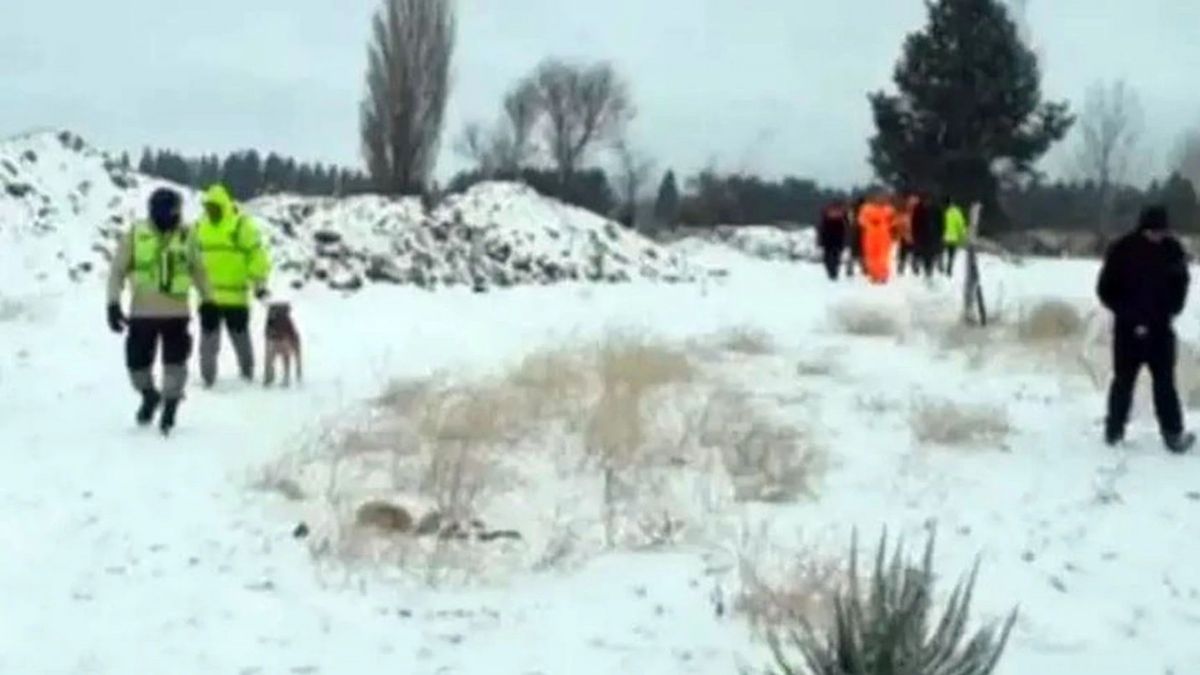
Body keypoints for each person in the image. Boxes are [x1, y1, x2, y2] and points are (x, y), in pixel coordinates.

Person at [107, 188, 213, 435]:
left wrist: (209, 302)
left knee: (175, 363)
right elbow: (117, 271)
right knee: (136, 365)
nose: (171, 215)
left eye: (174, 210)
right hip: (141, 314)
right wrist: (113, 303)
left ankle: (171, 405)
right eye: (165, 210)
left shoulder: (188, 235)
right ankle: (149, 395)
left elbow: (200, 272)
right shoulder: (136, 234)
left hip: (177, 314)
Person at [1097, 205, 1195, 453]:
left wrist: (1171, 309)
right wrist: (1128, 314)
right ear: (1143, 228)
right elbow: (1106, 289)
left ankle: (1173, 434)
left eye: (1161, 231)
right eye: (1153, 231)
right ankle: (1114, 431)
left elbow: (1181, 284)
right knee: (1123, 382)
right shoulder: (1122, 250)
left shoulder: (1173, 250)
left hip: (1160, 329)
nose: (1157, 236)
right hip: (1127, 330)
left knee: (1164, 384)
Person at [194, 184, 272, 387]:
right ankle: (207, 380)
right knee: (208, 343)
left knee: (240, 339)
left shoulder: (240, 226)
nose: (210, 211)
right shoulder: (199, 227)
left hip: (236, 297)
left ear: (224, 205)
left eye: (214, 207)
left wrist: (259, 283)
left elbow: (256, 255)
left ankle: (247, 374)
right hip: (209, 298)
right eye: (208, 207)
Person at [858, 191, 896, 285]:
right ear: (873, 198)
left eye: (882, 197)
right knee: (871, 256)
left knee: (883, 256)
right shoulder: (866, 208)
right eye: (878, 197)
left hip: (884, 236)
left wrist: (888, 223)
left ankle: (883, 275)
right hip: (870, 235)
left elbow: (894, 221)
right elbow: (861, 220)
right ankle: (874, 275)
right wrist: (870, 223)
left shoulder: (889, 209)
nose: (880, 199)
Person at [910, 192, 941, 279]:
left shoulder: (936, 209)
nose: (927, 202)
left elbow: (941, 224)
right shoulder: (918, 209)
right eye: (925, 200)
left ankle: (928, 271)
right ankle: (916, 267)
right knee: (919, 253)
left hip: (932, 237)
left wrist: (939, 236)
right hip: (920, 236)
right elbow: (914, 223)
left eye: (929, 200)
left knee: (929, 255)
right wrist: (914, 235)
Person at [817, 199, 849, 281]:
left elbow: (821, 229)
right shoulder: (827, 216)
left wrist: (820, 240)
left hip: (835, 240)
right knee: (831, 258)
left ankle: (833, 273)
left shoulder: (842, 216)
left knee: (832, 258)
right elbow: (821, 229)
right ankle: (833, 273)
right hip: (832, 240)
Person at [943, 199, 968, 276]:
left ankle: (940, 266)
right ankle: (949, 268)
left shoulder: (944, 212)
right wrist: (962, 236)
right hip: (953, 238)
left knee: (941, 253)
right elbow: (961, 225)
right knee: (951, 255)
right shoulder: (957, 212)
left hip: (944, 237)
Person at [893, 194, 916, 276]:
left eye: (914, 205)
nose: (912, 206)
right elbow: (896, 225)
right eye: (911, 204)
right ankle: (901, 268)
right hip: (904, 238)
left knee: (914, 255)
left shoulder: (917, 215)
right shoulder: (903, 215)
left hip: (914, 239)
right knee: (903, 255)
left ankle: (915, 269)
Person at [844, 196, 865, 278]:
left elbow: (847, 221)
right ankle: (862, 268)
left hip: (854, 232)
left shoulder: (851, 210)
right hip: (857, 232)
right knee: (861, 252)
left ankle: (851, 269)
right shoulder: (858, 210)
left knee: (855, 252)